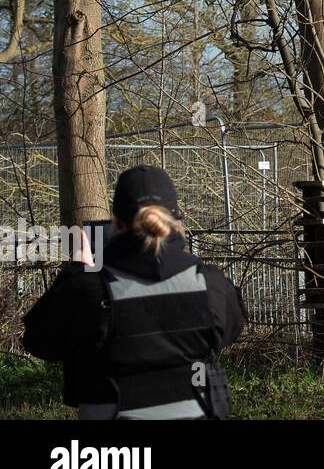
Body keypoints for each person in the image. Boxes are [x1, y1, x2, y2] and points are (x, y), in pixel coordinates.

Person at [22, 165, 247, 419]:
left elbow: (40, 341)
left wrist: (76, 273)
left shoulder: (89, 290)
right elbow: (231, 327)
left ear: (116, 222)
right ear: (175, 221)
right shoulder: (210, 284)